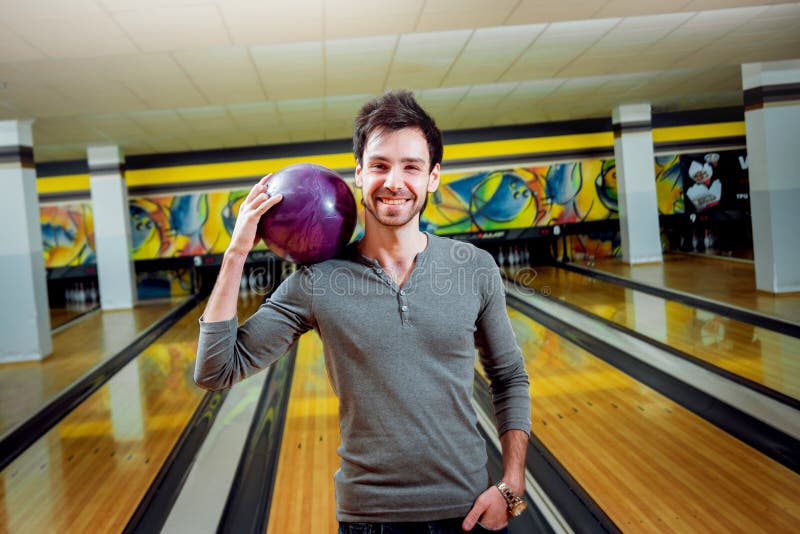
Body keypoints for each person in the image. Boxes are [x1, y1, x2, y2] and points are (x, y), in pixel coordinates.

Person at [195, 90, 531, 533]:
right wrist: (237, 251)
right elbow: (216, 370)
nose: (394, 181)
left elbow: (509, 377)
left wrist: (511, 483)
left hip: (467, 510)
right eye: (379, 165)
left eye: (411, 166)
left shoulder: (474, 267)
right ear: (358, 173)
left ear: (432, 177)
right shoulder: (316, 282)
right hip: (368, 520)